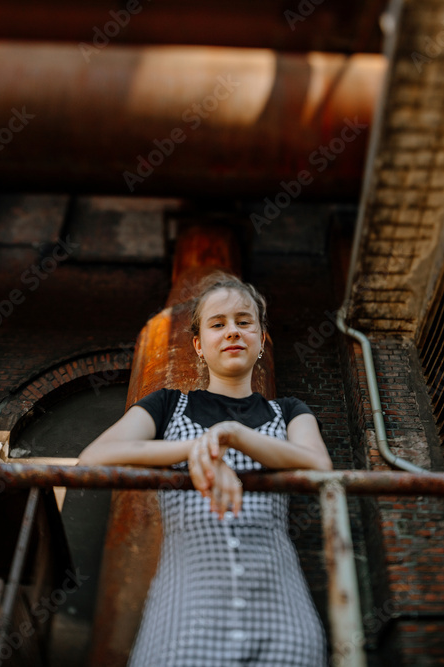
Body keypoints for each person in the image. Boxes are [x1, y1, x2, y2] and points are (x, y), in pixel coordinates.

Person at [78, 271, 333, 666]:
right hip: (185, 620)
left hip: (283, 621)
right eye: (218, 324)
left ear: (261, 339)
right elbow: (95, 456)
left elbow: (318, 463)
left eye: (244, 322)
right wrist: (197, 446)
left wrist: (232, 435)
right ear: (198, 345)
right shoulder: (166, 405)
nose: (232, 331)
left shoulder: (290, 412)